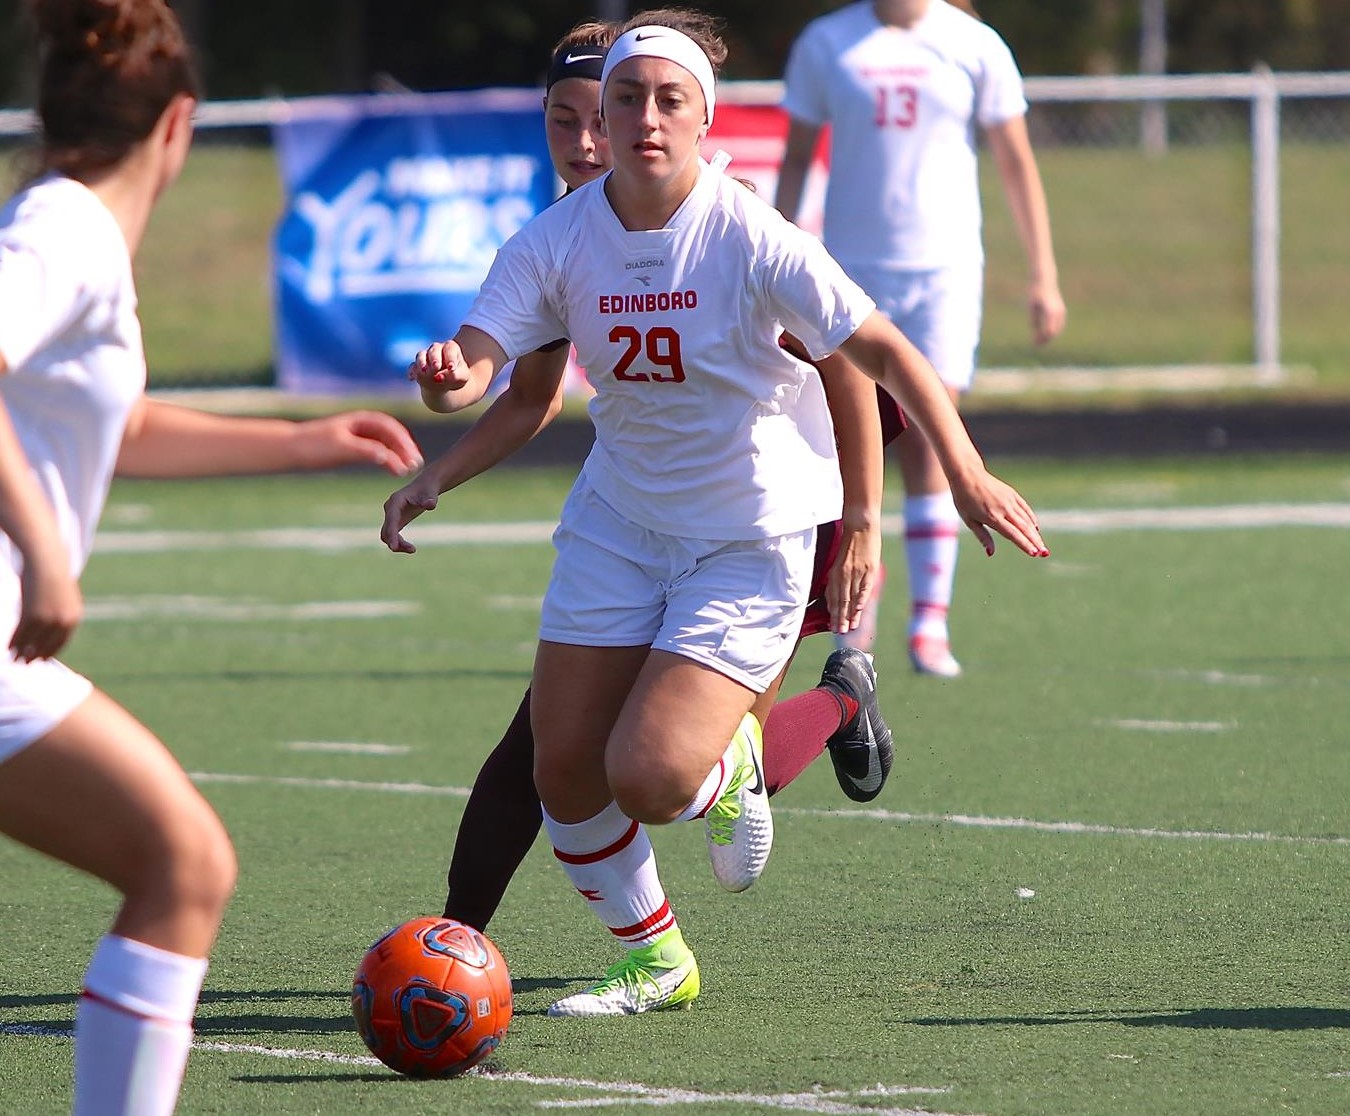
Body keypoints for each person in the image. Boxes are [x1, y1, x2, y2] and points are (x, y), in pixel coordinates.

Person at [385, 7, 1047, 1018]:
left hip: (747, 535)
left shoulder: (748, 232)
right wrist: (445, 385)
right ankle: (657, 961)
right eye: (626, 99)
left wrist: (955, 477)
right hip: (618, 524)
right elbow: (481, 369)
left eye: (669, 100)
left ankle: (736, 761)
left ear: (704, 118)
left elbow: (881, 355)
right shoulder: (555, 239)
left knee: (650, 779)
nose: (644, 118)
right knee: (562, 771)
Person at [0, 3, 422, 1114]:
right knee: (182, 864)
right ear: (180, 124)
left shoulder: (71, 229)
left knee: (180, 864)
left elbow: (118, 427)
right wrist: (44, 554)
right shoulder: (67, 229)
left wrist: (299, 443)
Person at [407, 22, 899, 952]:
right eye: (567, 119)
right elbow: (529, 393)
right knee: (570, 757)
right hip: (641, 514)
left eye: (610, 114)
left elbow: (852, 364)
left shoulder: (722, 220)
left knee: (660, 762)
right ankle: (493, 947)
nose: (589, 139)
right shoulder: (567, 234)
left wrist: (871, 516)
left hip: (773, 507)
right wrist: (440, 466)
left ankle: (453, 944)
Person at [775, 0, 1067, 677]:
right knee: (855, 440)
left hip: (944, 271)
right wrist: (772, 274)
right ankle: (856, 614)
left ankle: (930, 622)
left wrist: (1044, 275)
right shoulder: (828, 42)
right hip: (850, 270)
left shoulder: (974, 43)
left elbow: (1017, 162)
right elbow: (795, 158)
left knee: (934, 437)